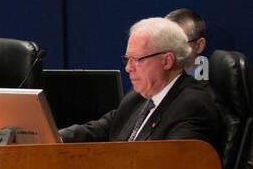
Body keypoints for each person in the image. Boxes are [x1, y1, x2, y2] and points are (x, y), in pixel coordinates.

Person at [59, 17, 222, 153]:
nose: (128, 68)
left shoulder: (192, 106)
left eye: (137, 60)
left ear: (166, 61)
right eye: (127, 59)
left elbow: (169, 167)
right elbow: (105, 126)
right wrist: (56, 138)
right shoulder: (141, 94)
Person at [166, 7, 207, 78]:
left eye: (178, 42)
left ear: (199, 46)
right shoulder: (152, 79)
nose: (168, 49)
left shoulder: (215, 86)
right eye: (165, 41)